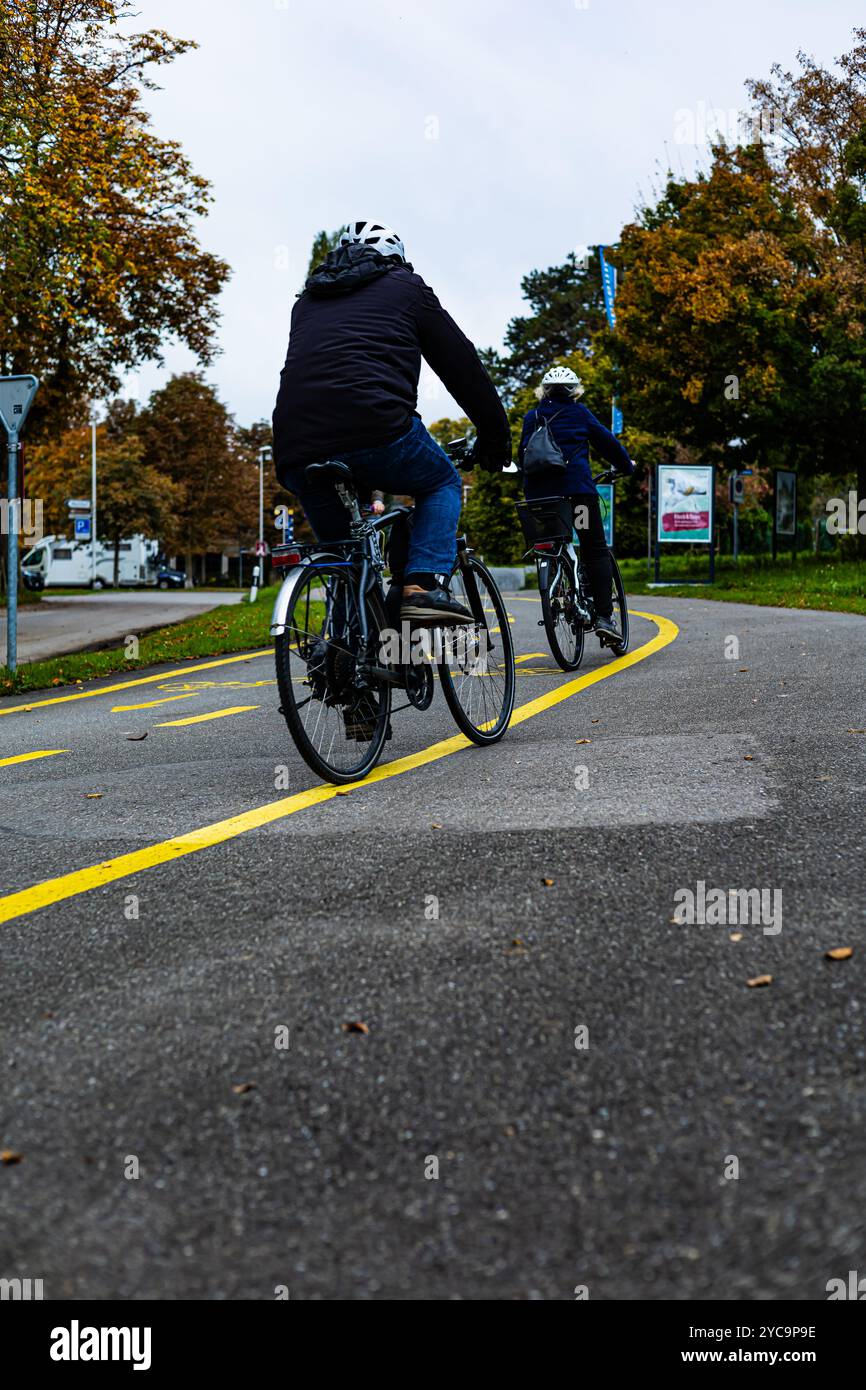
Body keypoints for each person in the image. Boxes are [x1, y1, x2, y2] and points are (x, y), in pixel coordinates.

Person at [273, 220, 511, 623]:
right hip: (378, 427)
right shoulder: (407, 288)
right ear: (396, 260)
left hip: (296, 447)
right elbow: (461, 365)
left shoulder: (308, 300)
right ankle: (421, 586)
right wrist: (494, 435)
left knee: (344, 563)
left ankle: (341, 661)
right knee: (441, 482)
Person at [518, 366, 634, 641]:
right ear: (575, 391)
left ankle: (558, 583)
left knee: (550, 543)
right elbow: (608, 444)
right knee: (594, 549)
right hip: (578, 497)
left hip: (542, 499)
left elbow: (522, 456)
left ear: (543, 391)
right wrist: (626, 465)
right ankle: (605, 618)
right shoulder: (579, 413)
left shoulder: (531, 417)